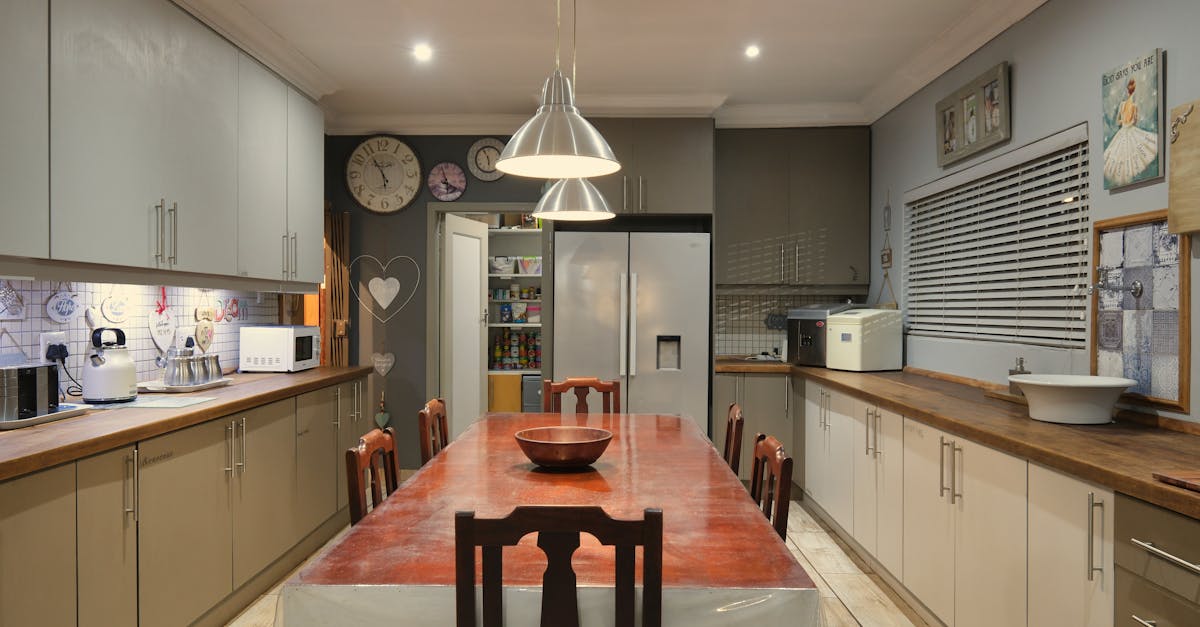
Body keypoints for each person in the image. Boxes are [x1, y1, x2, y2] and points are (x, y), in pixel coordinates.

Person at [1103, 77, 1159, 186]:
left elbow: (1118, 121)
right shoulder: (1133, 106)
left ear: (1127, 90)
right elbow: (1134, 121)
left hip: (1124, 130)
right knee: (1127, 154)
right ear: (1134, 90)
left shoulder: (1124, 105)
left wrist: (1124, 122)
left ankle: (1125, 179)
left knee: (1122, 154)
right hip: (1127, 130)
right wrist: (1127, 122)